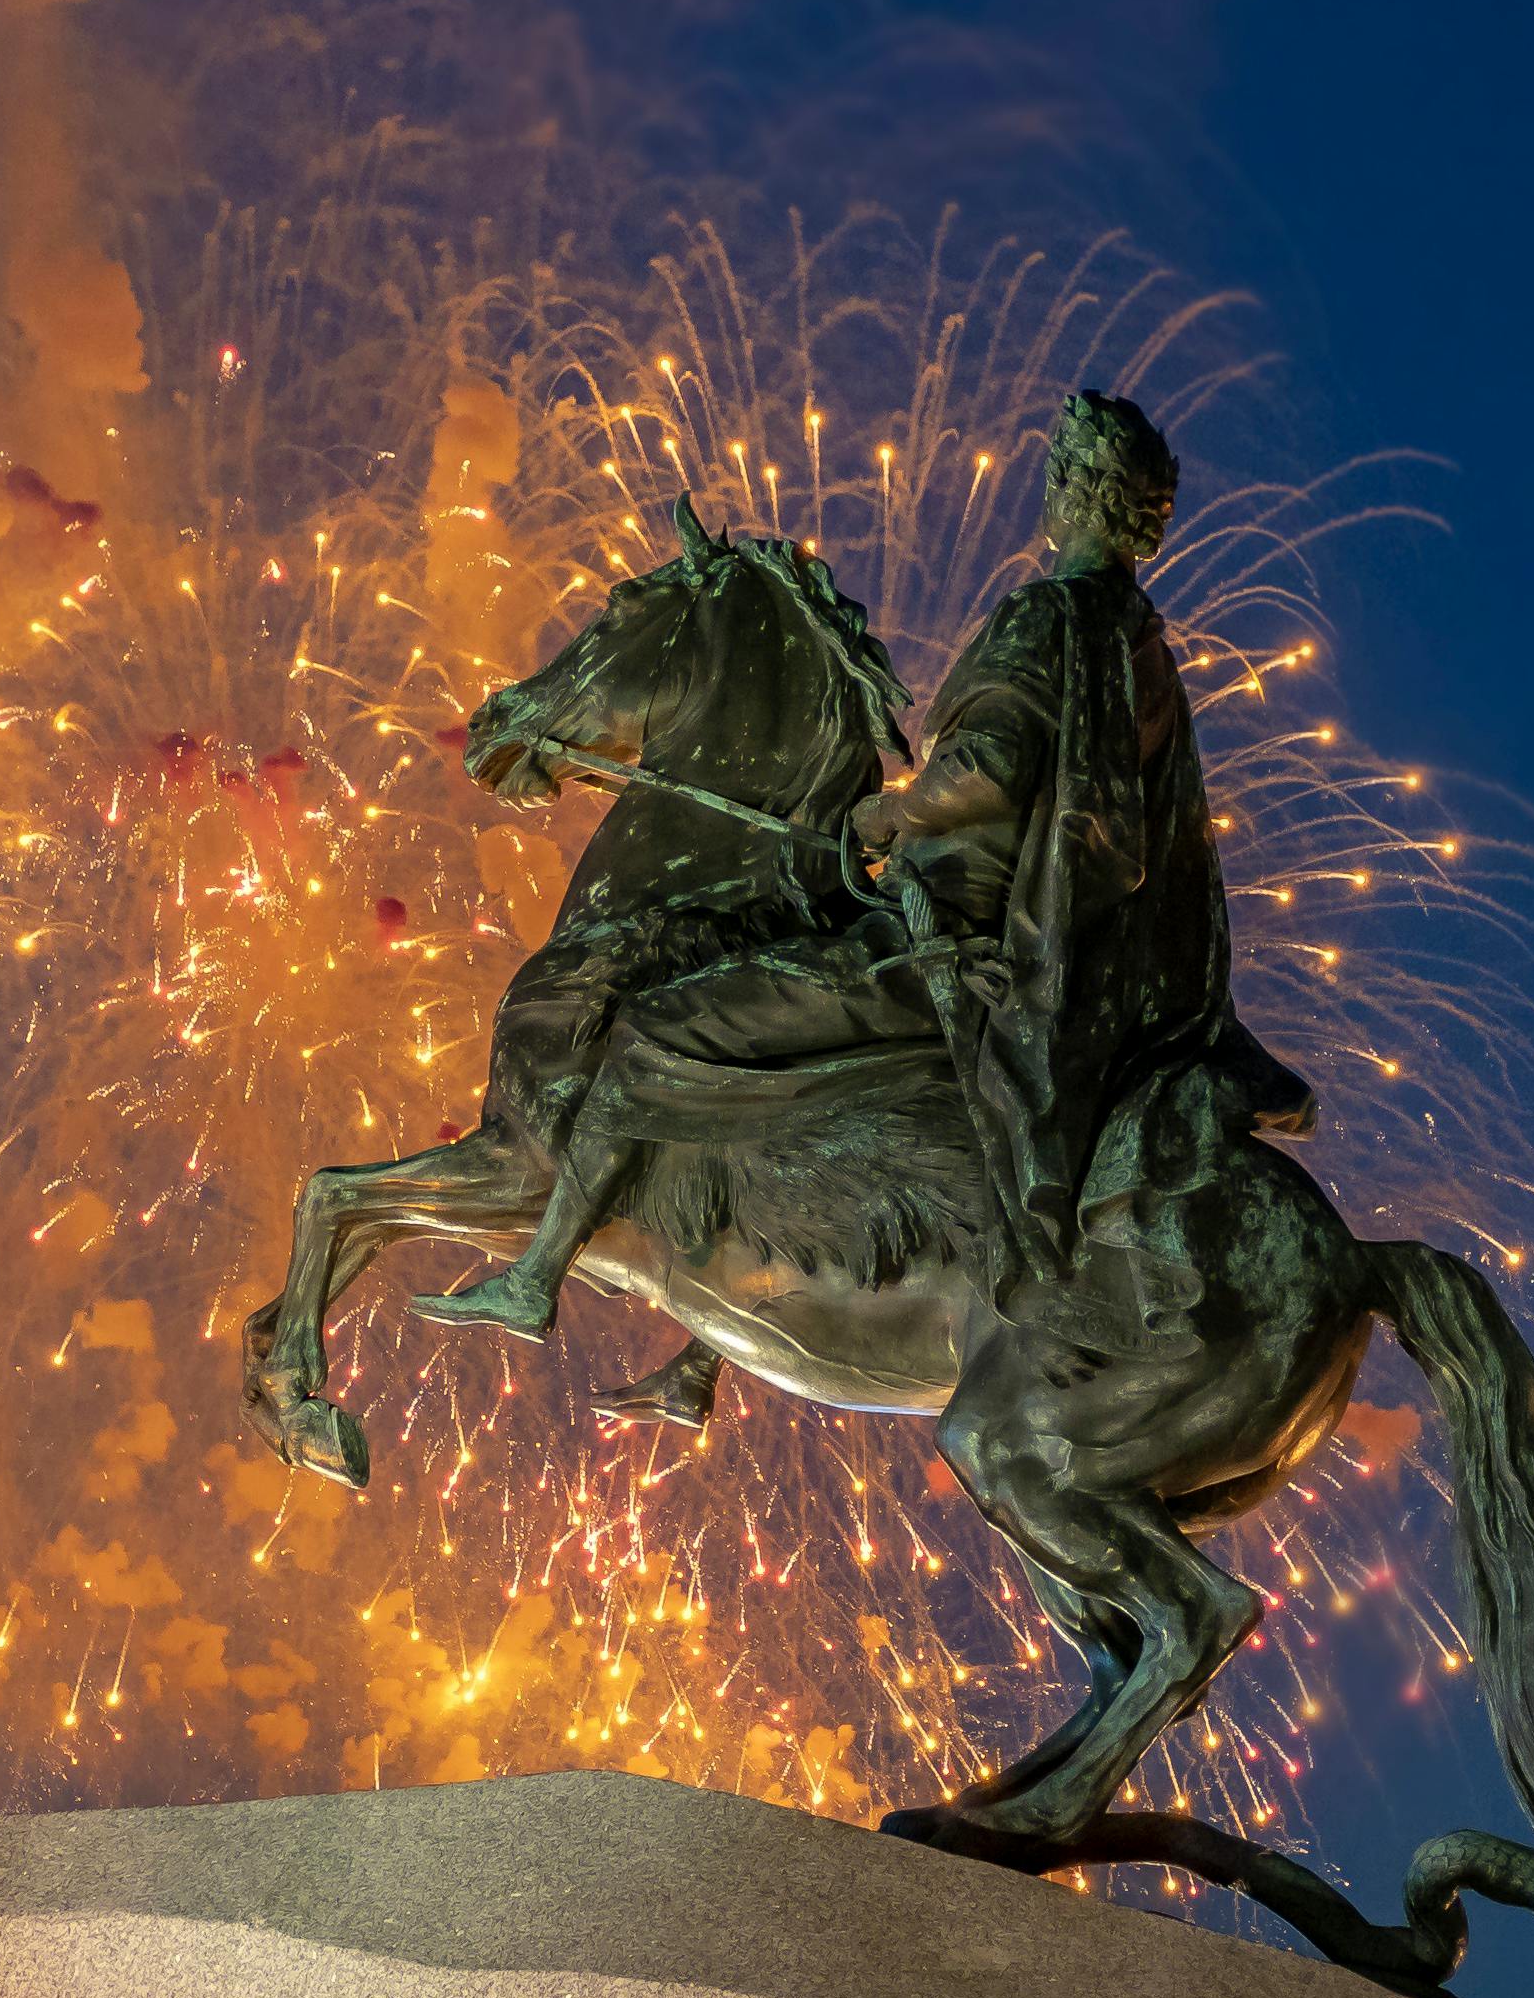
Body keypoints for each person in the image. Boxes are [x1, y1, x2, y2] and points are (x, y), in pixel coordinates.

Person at [413, 389, 1309, 1361]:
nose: (1048, 495)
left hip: (937, 937)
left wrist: (888, 812)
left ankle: (537, 1274)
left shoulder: (1053, 615)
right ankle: (705, 1349)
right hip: (1021, 944)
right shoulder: (1138, 649)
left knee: (658, 1028)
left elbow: (992, 770)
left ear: (1082, 497)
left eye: (1058, 476)